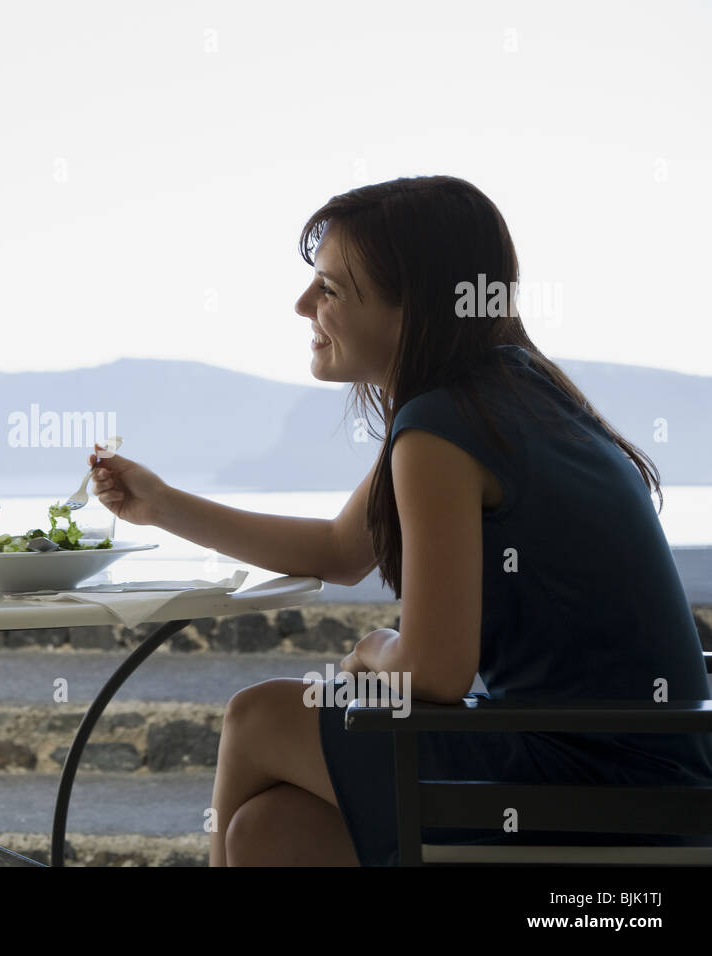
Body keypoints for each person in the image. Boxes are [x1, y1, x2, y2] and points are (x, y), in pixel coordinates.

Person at [86, 175, 712, 866]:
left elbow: (436, 673)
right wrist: (161, 504)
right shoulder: (501, 393)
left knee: (257, 717)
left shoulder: (442, 425)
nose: (302, 305)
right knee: (267, 833)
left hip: (597, 789)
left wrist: (375, 645)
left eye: (328, 289)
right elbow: (338, 551)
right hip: (648, 784)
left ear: (410, 307)